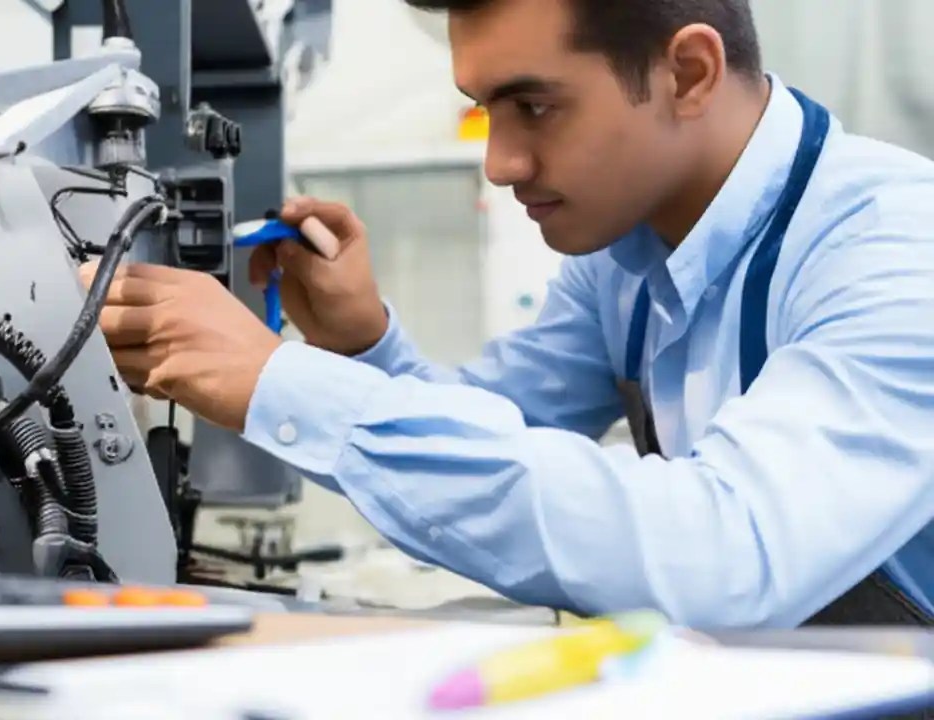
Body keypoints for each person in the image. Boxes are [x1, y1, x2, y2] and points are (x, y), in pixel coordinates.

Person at [81, 0, 934, 629]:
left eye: (535, 106)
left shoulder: (893, 247)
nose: (499, 162)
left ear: (690, 73)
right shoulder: (625, 254)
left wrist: (277, 382)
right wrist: (361, 343)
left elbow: (728, 552)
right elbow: (494, 452)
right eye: (487, 109)